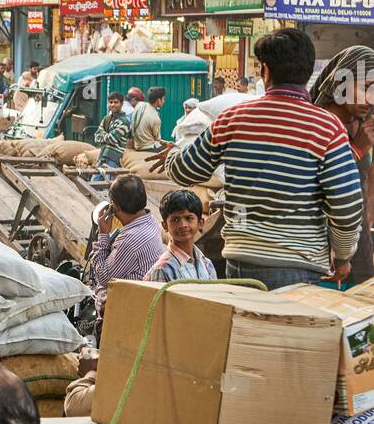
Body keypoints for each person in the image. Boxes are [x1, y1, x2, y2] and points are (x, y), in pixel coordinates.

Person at [164, 26, 363, 289]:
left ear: (265, 70)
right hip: (299, 269)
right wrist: (343, 257)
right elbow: (346, 206)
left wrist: (173, 154)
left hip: (239, 267)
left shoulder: (232, 119)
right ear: (308, 71)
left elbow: (183, 171)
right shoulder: (327, 127)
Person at [309, 45, 374, 286]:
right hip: (322, 245)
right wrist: (356, 150)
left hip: (357, 240)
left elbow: (368, 176)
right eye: (365, 88)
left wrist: (366, 223)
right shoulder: (316, 123)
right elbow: (316, 181)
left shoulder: (361, 124)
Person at [92, 173, 163, 321]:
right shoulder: (151, 221)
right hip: (144, 298)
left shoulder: (129, 240)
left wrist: (103, 234)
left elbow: (104, 277)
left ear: (115, 207)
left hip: (126, 309)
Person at [146, 189, 217, 284]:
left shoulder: (207, 264)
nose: (183, 225)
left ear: (200, 223)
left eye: (189, 218)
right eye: (175, 220)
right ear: (165, 226)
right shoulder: (163, 269)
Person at [94, 91, 130, 175]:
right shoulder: (107, 119)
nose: (113, 104)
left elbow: (112, 139)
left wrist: (103, 135)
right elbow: (96, 136)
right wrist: (106, 136)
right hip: (103, 155)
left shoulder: (124, 121)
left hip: (114, 157)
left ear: (121, 104)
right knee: (94, 180)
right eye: (110, 102)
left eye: (116, 102)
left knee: (108, 182)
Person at [130, 85, 168, 152]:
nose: (164, 101)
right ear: (159, 100)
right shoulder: (156, 118)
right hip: (148, 147)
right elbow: (157, 139)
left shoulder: (139, 105)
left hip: (136, 144)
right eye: (163, 98)